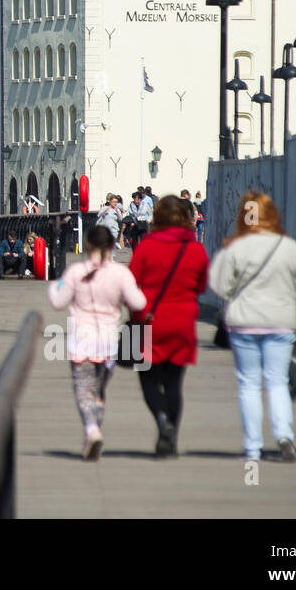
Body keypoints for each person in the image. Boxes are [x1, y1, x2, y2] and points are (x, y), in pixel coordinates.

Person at [209, 191, 296, 462]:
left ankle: (253, 447)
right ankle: (284, 436)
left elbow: (220, 286)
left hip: (244, 323)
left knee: (249, 384)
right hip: (281, 322)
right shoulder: (290, 247)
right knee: (278, 381)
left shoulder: (235, 247)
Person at [49, 225, 148, 460]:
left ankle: (92, 430)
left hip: (81, 342)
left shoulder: (75, 271)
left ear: (88, 245)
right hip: (109, 344)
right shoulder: (120, 274)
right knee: (98, 392)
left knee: (84, 391)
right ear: (112, 246)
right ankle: (94, 432)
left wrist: (55, 286)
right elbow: (139, 302)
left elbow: (58, 301)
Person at [129, 195, 209, 457]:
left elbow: (131, 285)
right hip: (183, 323)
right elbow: (202, 286)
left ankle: (162, 422)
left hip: (148, 321)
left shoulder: (147, 246)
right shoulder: (195, 248)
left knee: (147, 379)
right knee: (174, 383)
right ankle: (171, 434)